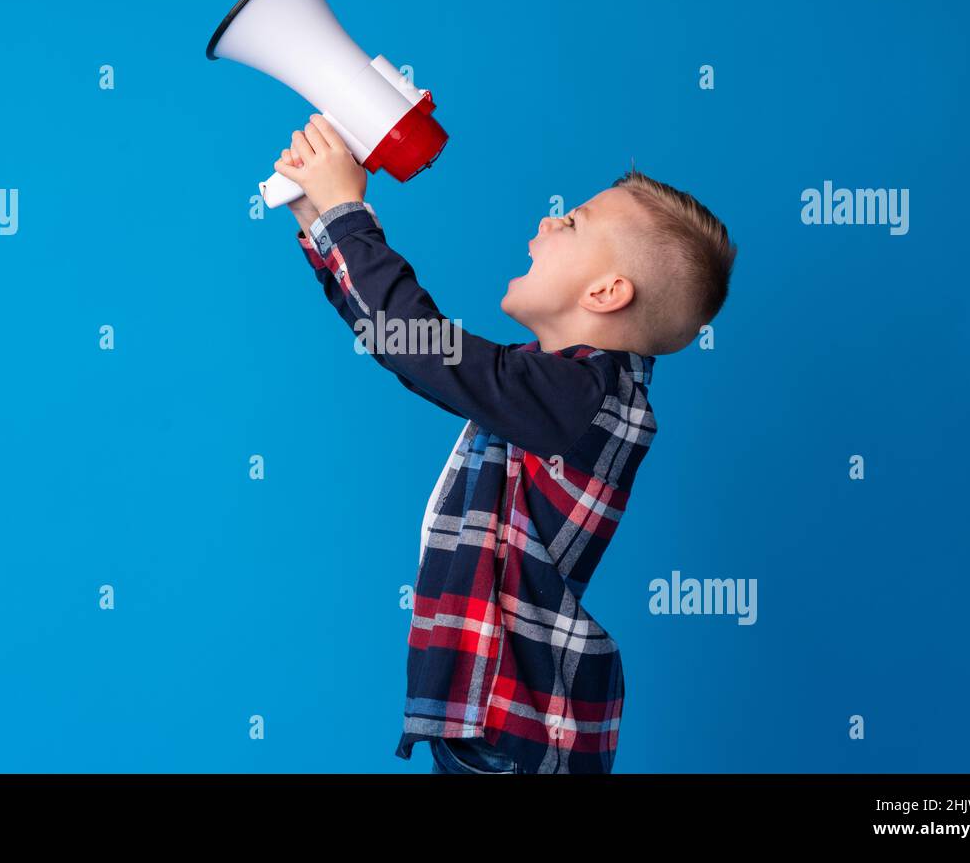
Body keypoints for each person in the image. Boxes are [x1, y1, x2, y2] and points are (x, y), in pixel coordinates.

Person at [274, 115, 737, 774]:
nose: (548, 222)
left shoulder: (582, 397)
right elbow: (406, 346)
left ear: (607, 293)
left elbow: (422, 347)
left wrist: (347, 216)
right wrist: (320, 218)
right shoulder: (562, 391)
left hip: (518, 730)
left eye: (571, 223)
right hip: (504, 727)